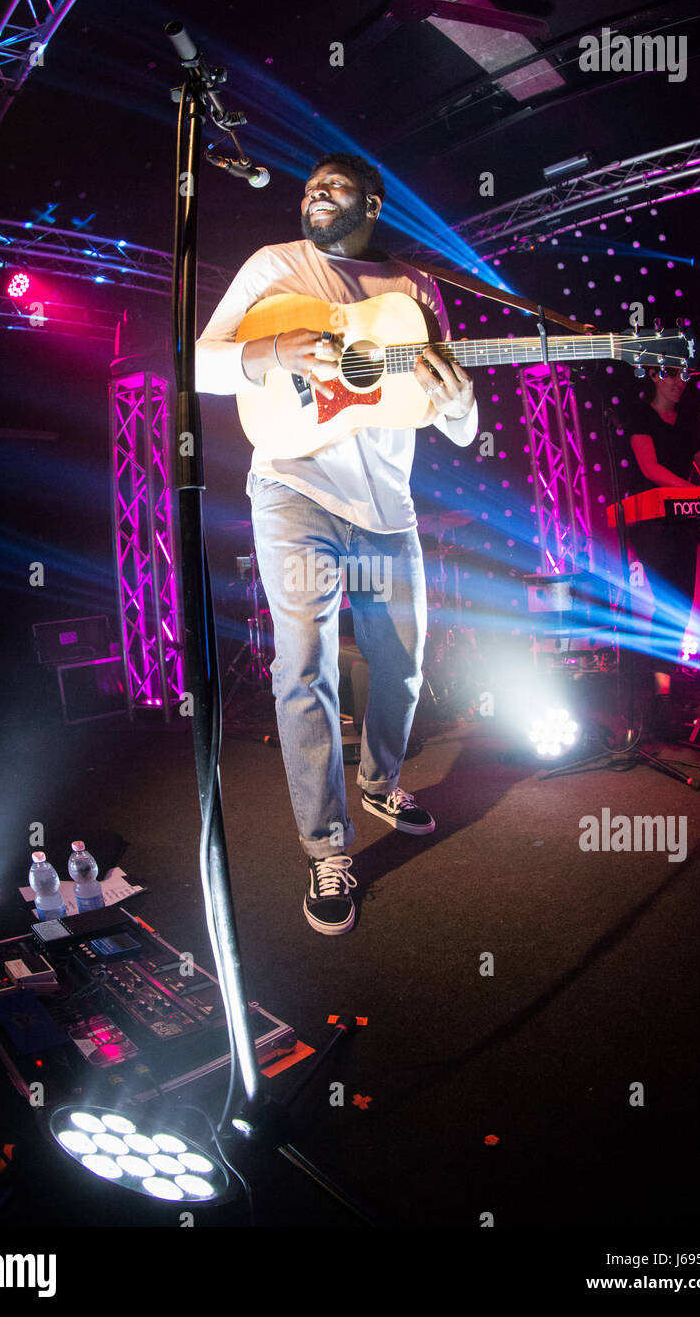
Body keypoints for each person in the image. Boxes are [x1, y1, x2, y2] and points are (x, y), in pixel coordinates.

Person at [196, 152, 477, 934]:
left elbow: (450, 414)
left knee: (403, 665)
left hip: (386, 504)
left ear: (374, 203)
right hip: (292, 484)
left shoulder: (414, 290)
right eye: (310, 184)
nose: (316, 192)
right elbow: (199, 361)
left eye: (337, 185)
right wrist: (272, 353)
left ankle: (381, 778)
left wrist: (462, 403)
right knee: (304, 664)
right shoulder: (274, 267)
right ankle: (326, 847)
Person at [626, 365, 700, 724]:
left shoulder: (686, 419)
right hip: (650, 519)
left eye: (685, 378)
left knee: (684, 602)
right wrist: (692, 491)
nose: (680, 384)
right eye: (673, 376)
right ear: (656, 376)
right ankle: (659, 692)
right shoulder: (640, 415)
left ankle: (666, 689)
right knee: (667, 601)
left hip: (680, 517)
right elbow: (650, 468)